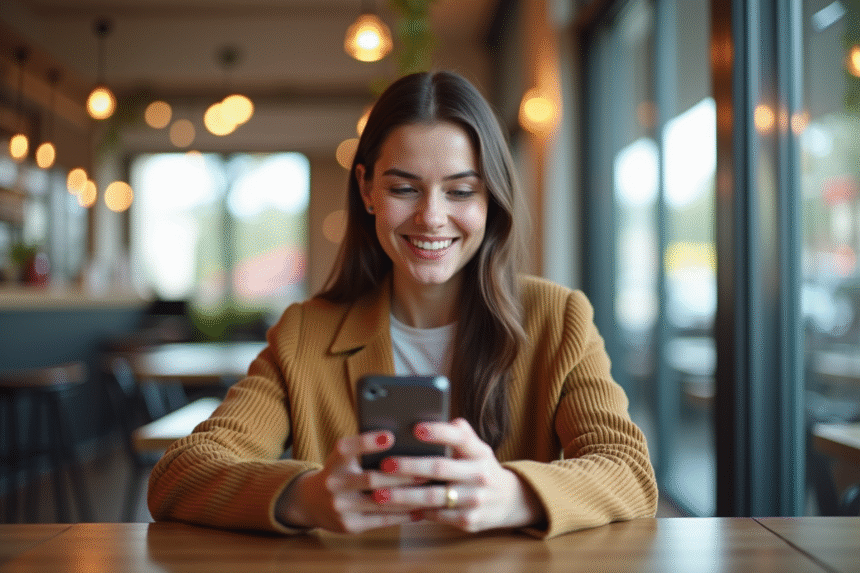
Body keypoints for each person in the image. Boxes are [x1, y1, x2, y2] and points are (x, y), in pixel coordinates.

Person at [147, 70, 658, 539]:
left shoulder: (557, 319)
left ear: (491, 199)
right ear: (367, 188)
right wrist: (305, 497)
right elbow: (179, 474)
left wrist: (514, 495)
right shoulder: (306, 333)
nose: (432, 217)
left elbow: (630, 471)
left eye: (460, 191)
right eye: (403, 188)